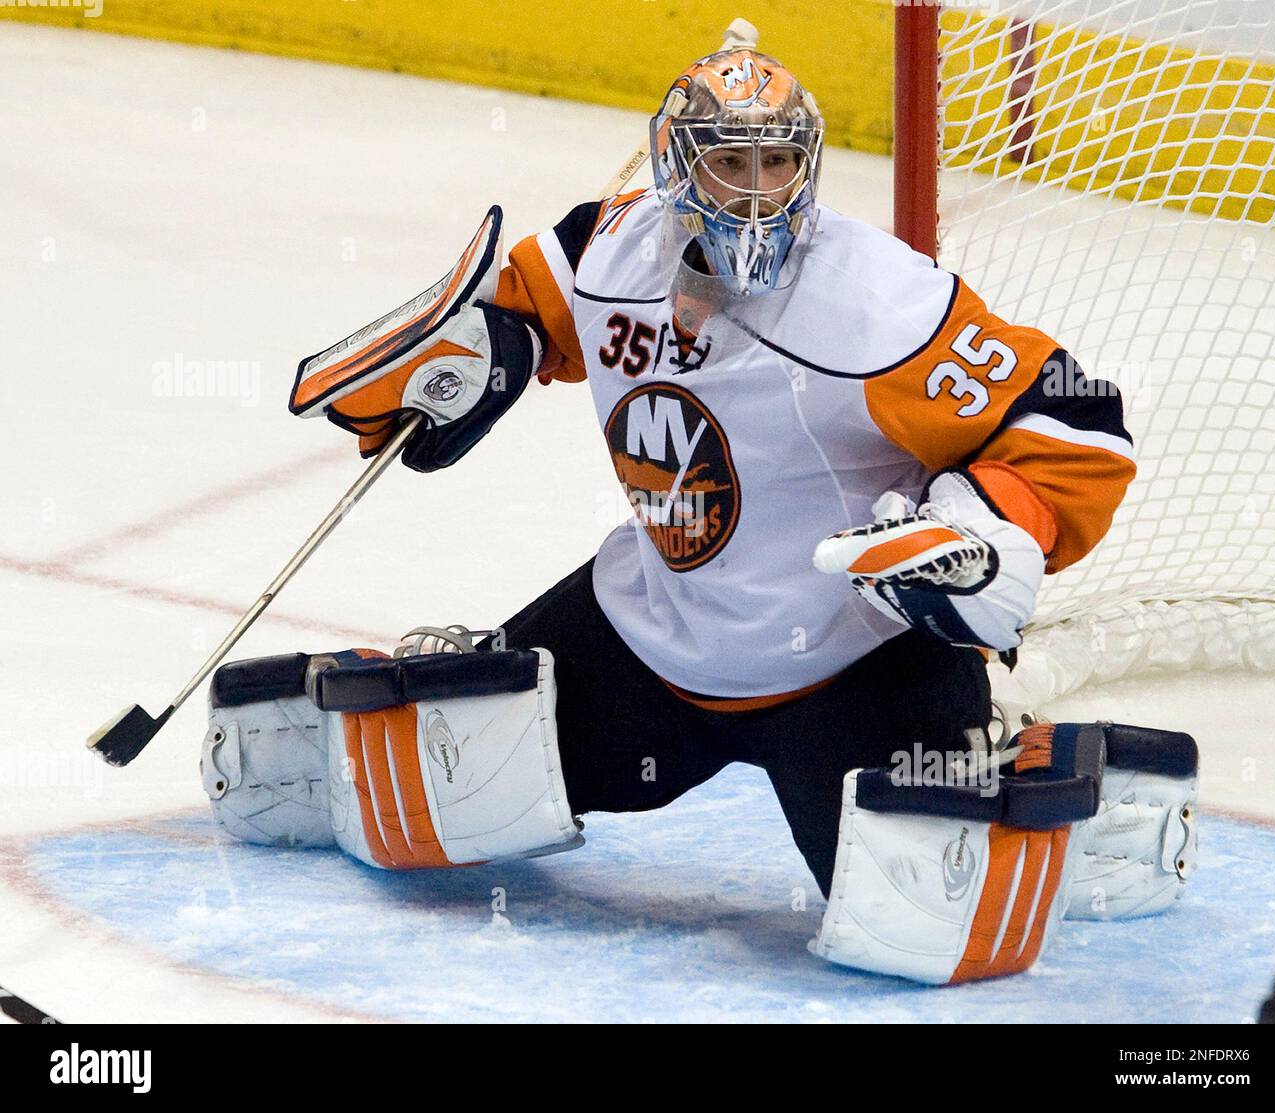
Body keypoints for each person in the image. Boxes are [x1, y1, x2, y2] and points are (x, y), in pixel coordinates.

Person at [204, 40, 1199, 985]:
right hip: (654, 642)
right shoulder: (606, 248)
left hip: (852, 663)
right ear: (675, 165)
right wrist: (486, 349)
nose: (759, 189)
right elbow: (525, 306)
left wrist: (984, 521)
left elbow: (1072, 420)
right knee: (432, 800)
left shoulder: (878, 303)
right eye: (731, 160)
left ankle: (1078, 790)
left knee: (929, 918)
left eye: (779, 161)